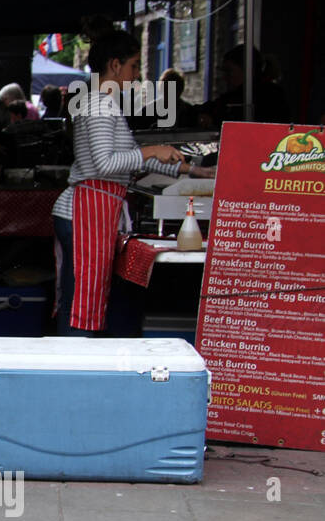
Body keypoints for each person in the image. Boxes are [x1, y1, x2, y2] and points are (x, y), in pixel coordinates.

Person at [52, 19, 216, 335]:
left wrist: (190, 170)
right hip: (83, 213)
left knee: (83, 299)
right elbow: (104, 163)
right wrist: (151, 150)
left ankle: (75, 363)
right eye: (133, 65)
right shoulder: (99, 104)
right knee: (80, 305)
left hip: (93, 213)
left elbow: (130, 163)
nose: (137, 74)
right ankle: (70, 368)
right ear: (114, 65)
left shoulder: (104, 103)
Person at [196, 44, 291, 127]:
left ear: (247, 70)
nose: (225, 77)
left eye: (229, 71)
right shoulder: (236, 94)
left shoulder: (270, 96)